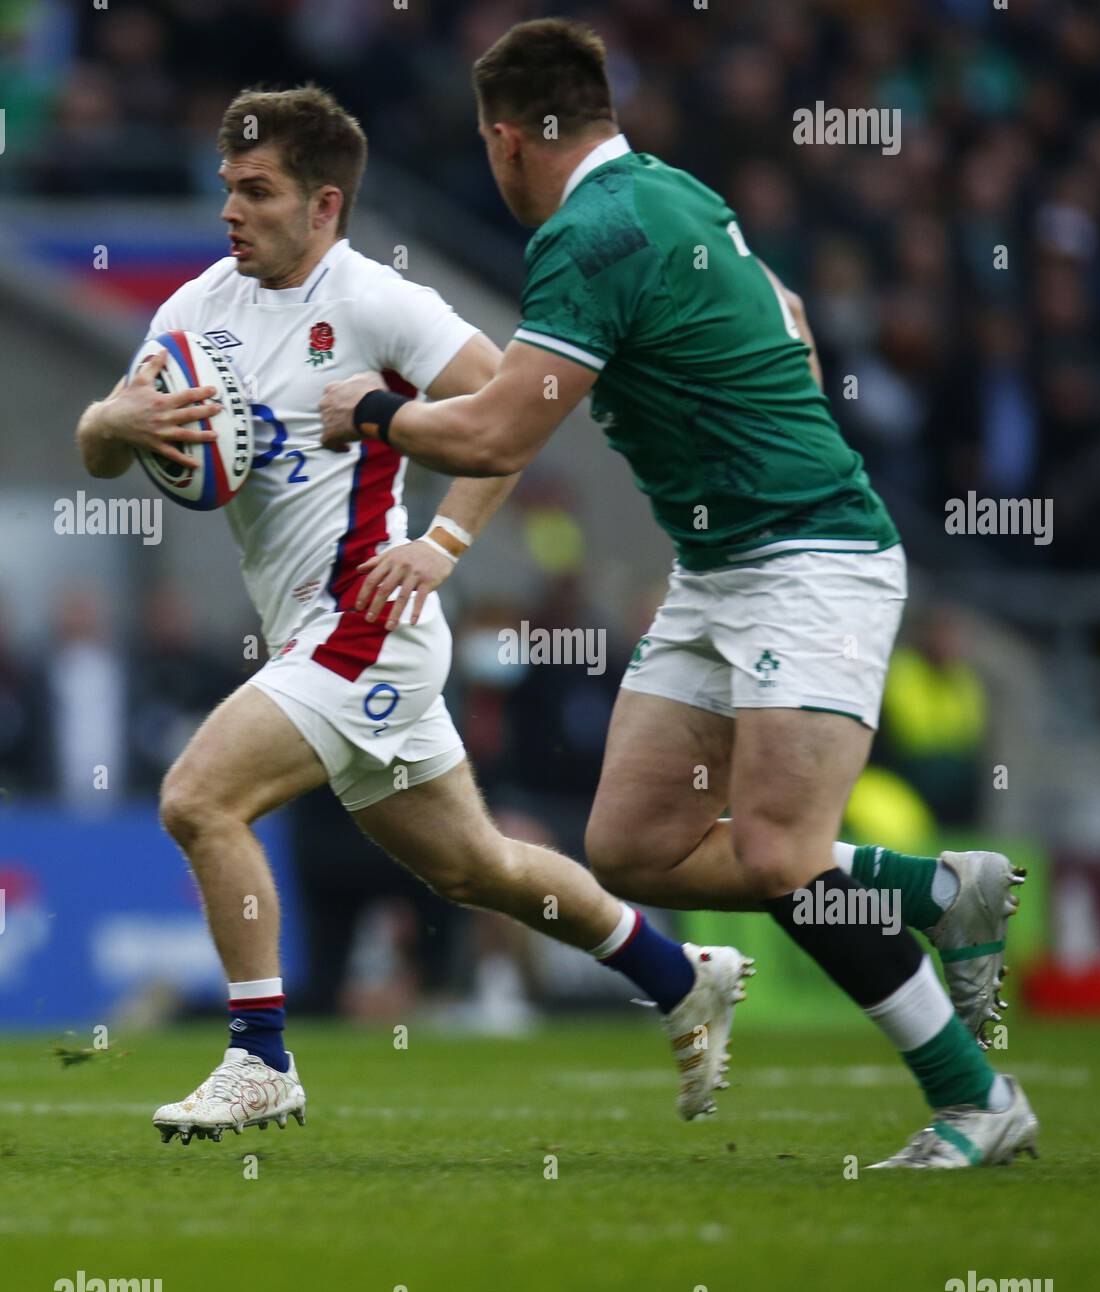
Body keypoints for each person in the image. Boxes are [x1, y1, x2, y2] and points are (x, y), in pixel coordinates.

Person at [319, 20, 1036, 1169]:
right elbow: (788, 318)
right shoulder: (673, 194)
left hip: (811, 559)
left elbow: (502, 428)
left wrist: (371, 411)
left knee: (776, 853)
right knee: (633, 845)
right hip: (721, 571)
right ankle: (935, 888)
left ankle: (971, 1097)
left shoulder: (587, 233)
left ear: (508, 140)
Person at [75, 83, 755, 1145]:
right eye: (226, 189)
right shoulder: (191, 309)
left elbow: (514, 412)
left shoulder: (378, 305)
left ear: (325, 206)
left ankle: (260, 1058)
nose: (232, 211)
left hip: (365, 626)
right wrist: (111, 417)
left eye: (257, 191)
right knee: (473, 866)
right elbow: (102, 443)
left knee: (198, 798)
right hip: (311, 633)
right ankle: (679, 972)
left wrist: (441, 542)